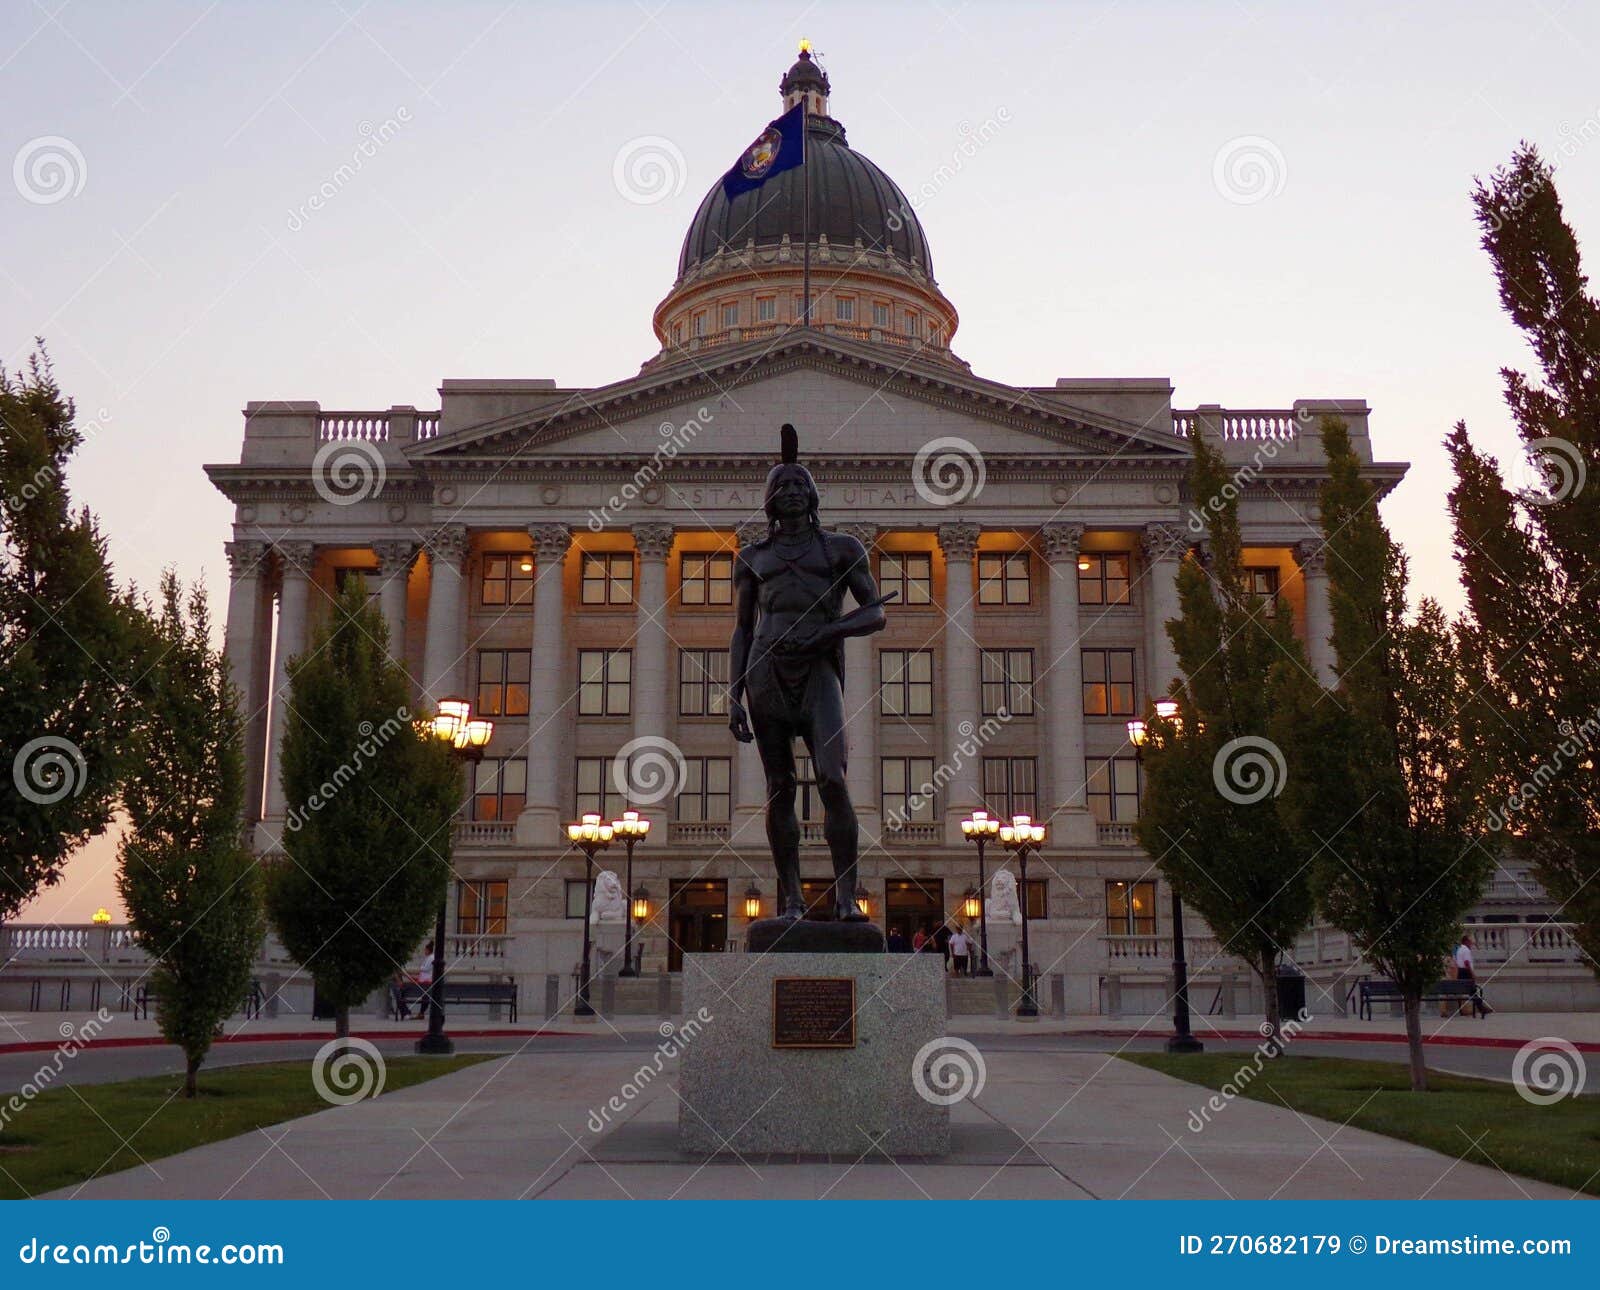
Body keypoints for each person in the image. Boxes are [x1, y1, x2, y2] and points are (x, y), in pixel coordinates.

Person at [1454, 934, 1491, 1017]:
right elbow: (1467, 962)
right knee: (1473, 991)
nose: (1471, 944)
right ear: (1466, 942)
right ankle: (1482, 1008)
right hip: (1466, 972)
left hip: (1460, 972)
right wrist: (1472, 973)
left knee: (1471, 992)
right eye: (1470, 942)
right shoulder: (1466, 950)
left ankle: (1481, 1008)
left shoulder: (1459, 949)